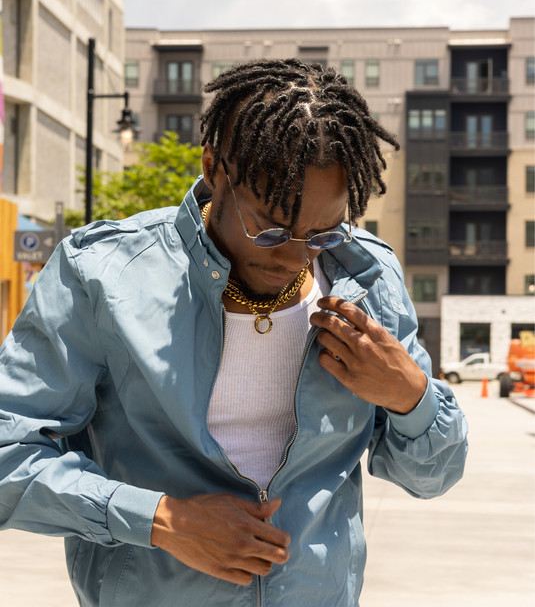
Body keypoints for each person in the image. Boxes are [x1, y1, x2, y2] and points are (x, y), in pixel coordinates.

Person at [0, 59, 468, 607]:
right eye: (270, 228)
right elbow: (9, 455)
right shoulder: (103, 275)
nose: (294, 257)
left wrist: (410, 396)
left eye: (322, 233)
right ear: (214, 168)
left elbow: (433, 477)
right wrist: (160, 520)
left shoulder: (369, 280)